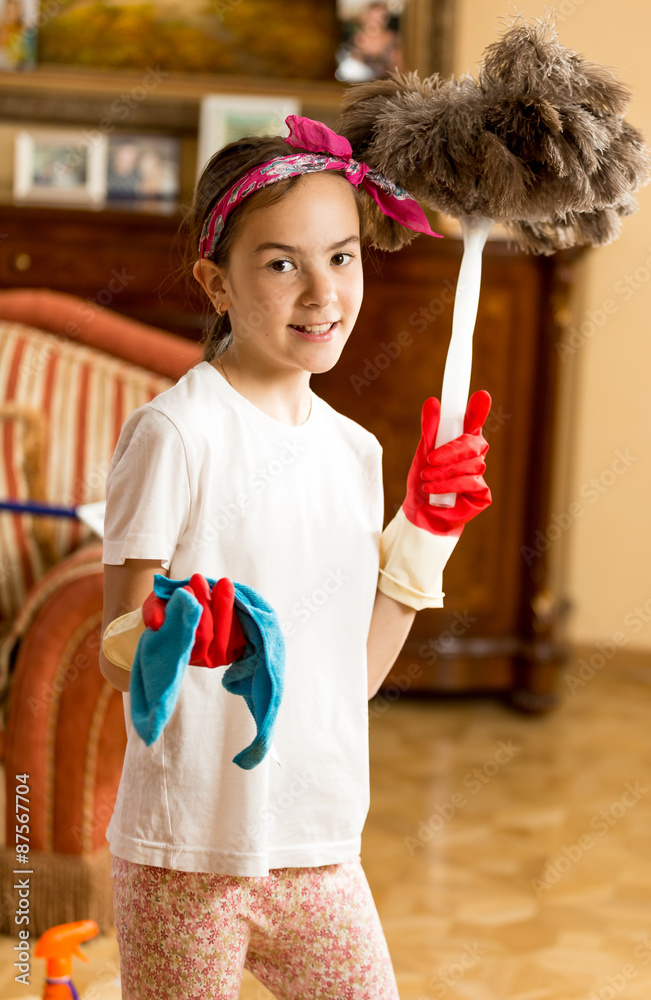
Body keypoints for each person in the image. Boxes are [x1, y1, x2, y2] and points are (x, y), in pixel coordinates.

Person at [99, 115, 492, 1000]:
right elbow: (114, 655)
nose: (322, 292)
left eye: (342, 257)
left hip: (318, 848)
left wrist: (426, 530)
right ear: (217, 283)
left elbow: (343, 679)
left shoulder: (353, 453)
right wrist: (179, 634)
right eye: (281, 263)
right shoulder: (175, 434)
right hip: (187, 855)